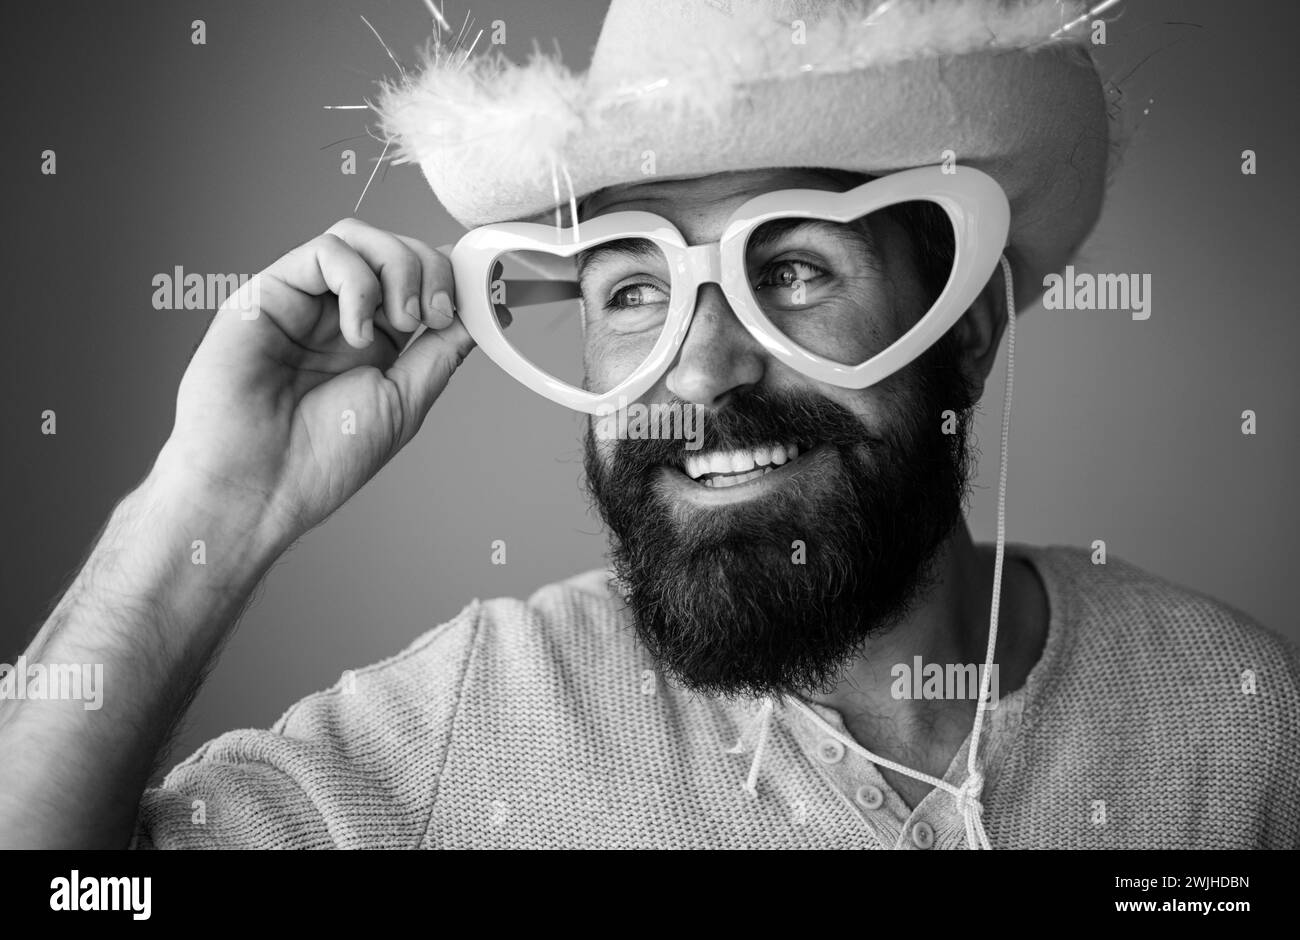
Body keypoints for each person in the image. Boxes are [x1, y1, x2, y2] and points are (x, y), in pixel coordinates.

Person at [2, 0, 1296, 850]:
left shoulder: (1231, 721)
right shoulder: (477, 722)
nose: (708, 367)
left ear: (965, 323)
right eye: (634, 291)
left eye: (793, 270)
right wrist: (212, 508)